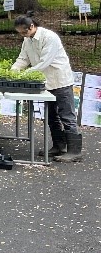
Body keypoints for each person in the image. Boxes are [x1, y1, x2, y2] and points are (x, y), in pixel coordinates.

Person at [12, 13, 81, 162]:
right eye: (21, 33)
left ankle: (75, 151)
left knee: (67, 116)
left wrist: (24, 75)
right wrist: (12, 71)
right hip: (45, 82)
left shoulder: (50, 37)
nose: (23, 35)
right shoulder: (27, 40)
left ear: (32, 26)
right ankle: (59, 146)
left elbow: (44, 62)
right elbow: (23, 59)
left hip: (60, 80)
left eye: (25, 32)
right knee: (51, 116)